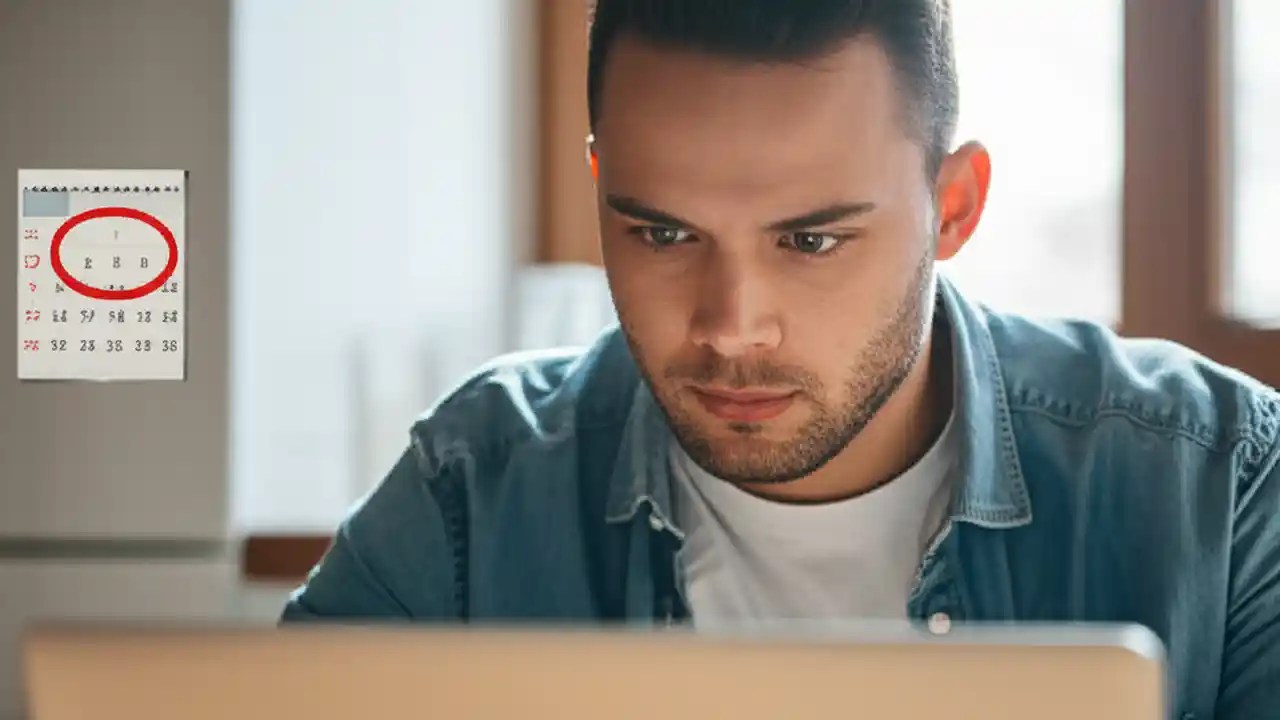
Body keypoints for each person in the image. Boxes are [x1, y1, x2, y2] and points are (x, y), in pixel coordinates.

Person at [281, 1, 1279, 716]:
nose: (729, 328)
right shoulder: (476, 485)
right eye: (661, 234)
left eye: (808, 242)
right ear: (600, 182)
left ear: (952, 207)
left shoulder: (1217, 484)